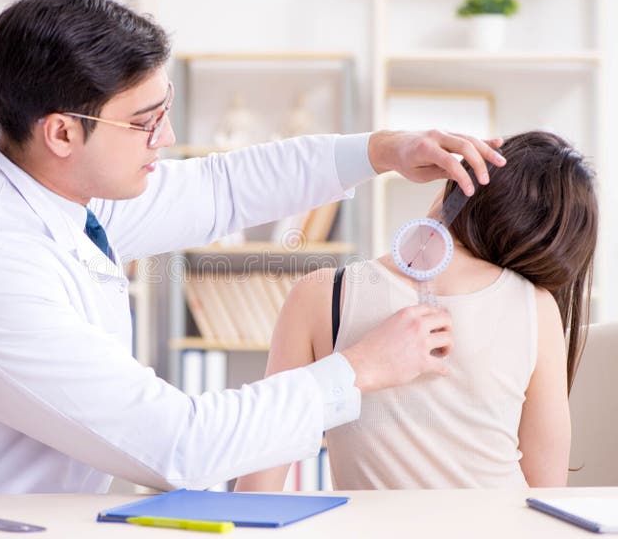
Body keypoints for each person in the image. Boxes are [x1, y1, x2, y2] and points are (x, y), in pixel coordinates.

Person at [0, 0, 506, 495]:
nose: (165, 138)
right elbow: (181, 446)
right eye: (146, 121)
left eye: (164, 111)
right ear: (62, 133)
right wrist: (359, 369)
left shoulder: (53, 180)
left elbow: (221, 188)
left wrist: (383, 150)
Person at [236, 131, 598, 491]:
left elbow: (256, 492)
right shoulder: (536, 307)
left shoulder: (319, 295)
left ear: (456, 183)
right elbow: (546, 492)